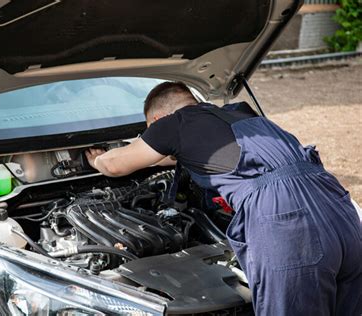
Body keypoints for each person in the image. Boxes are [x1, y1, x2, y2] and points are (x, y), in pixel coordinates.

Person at [85, 81, 361, 315]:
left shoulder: (174, 123)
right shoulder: (243, 116)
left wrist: (97, 161)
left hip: (287, 221)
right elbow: (181, 156)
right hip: (338, 208)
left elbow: (115, 165)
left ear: (157, 121)